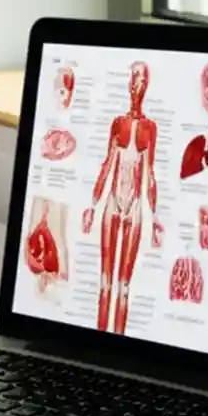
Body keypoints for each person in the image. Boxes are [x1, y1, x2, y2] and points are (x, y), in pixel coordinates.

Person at [82, 62, 163, 334]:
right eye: (133, 78)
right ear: (129, 84)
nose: (136, 84)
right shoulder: (118, 124)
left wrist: (156, 216)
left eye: (141, 79)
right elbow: (107, 164)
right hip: (113, 202)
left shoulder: (150, 128)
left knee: (124, 287)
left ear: (146, 86)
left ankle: (117, 343)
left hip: (135, 207)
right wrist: (93, 206)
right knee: (105, 282)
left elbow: (149, 173)